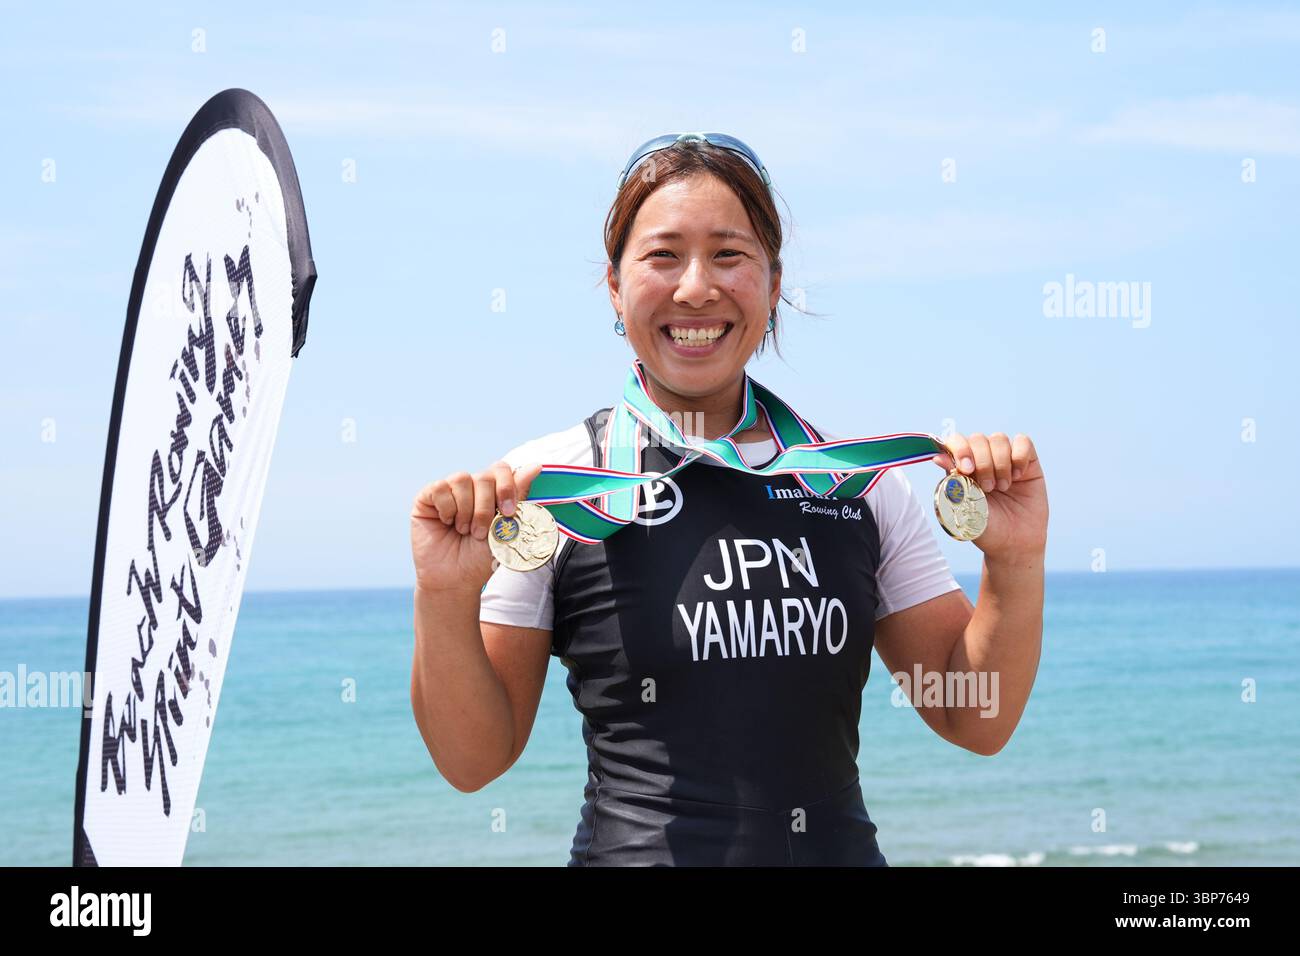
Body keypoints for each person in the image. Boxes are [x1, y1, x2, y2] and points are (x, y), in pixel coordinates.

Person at [409, 132, 1048, 866]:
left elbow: (975, 719)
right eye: (662, 255)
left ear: (774, 287)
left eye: (728, 254)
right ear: (614, 288)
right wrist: (443, 595)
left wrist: (1015, 560)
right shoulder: (551, 488)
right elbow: (472, 762)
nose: (694, 288)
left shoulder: (857, 482)